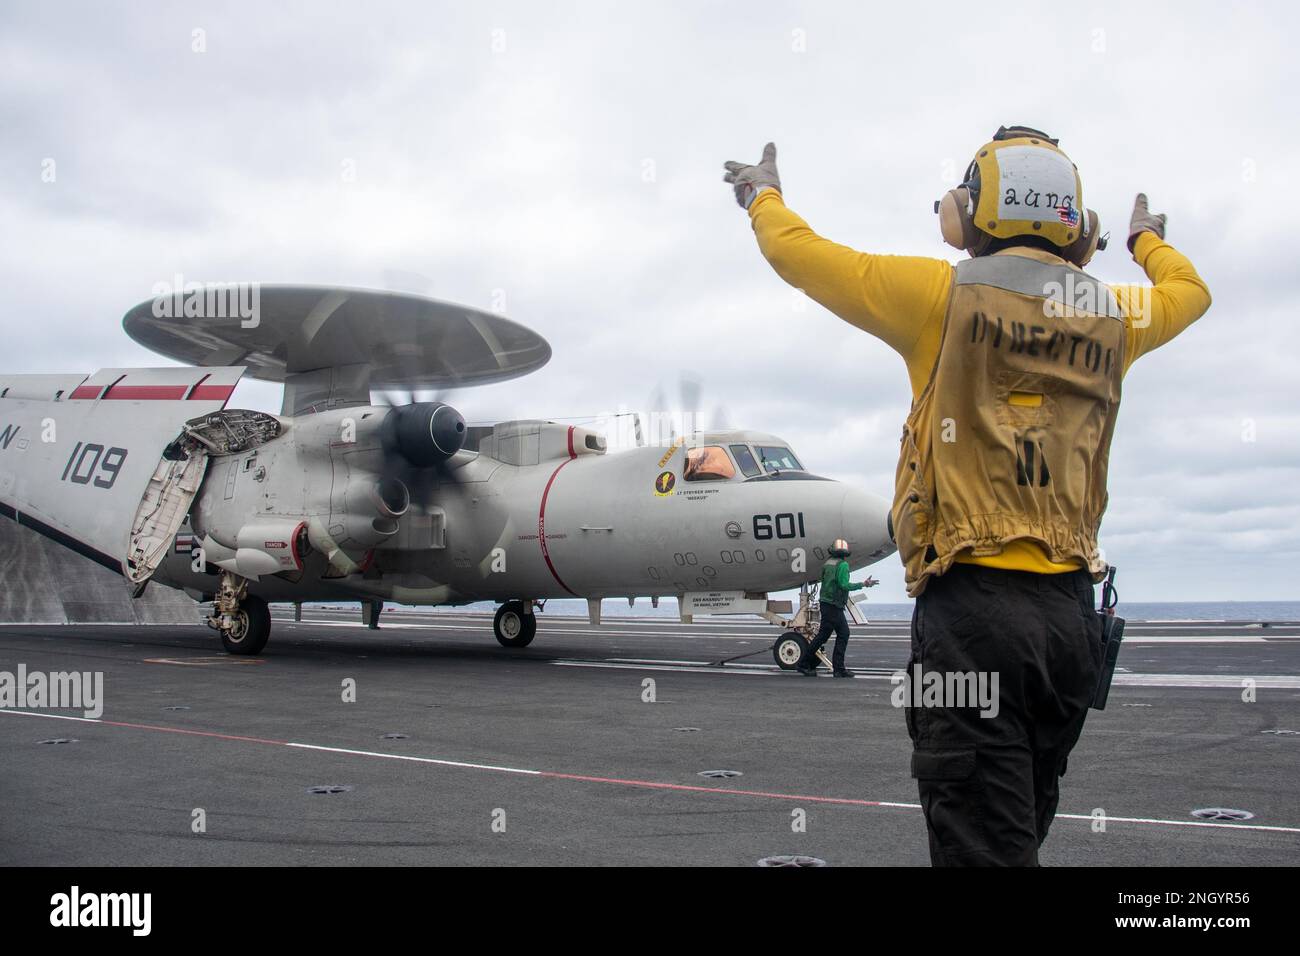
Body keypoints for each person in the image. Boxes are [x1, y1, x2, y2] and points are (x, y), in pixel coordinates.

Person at [724, 127, 1211, 865]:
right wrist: (1146, 242)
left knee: (982, 845)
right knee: (1017, 832)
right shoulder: (1118, 315)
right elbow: (1191, 294)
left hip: (974, 619)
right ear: (1079, 231)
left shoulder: (941, 296)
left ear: (969, 213)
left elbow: (801, 256)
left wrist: (763, 197)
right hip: (1070, 626)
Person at [800, 538, 870, 678]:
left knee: (826, 635)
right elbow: (844, 585)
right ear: (845, 552)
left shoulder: (827, 563)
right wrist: (863, 584)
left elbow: (823, 580)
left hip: (827, 604)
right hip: (834, 605)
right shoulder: (843, 565)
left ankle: (832, 667)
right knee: (840, 634)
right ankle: (832, 668)